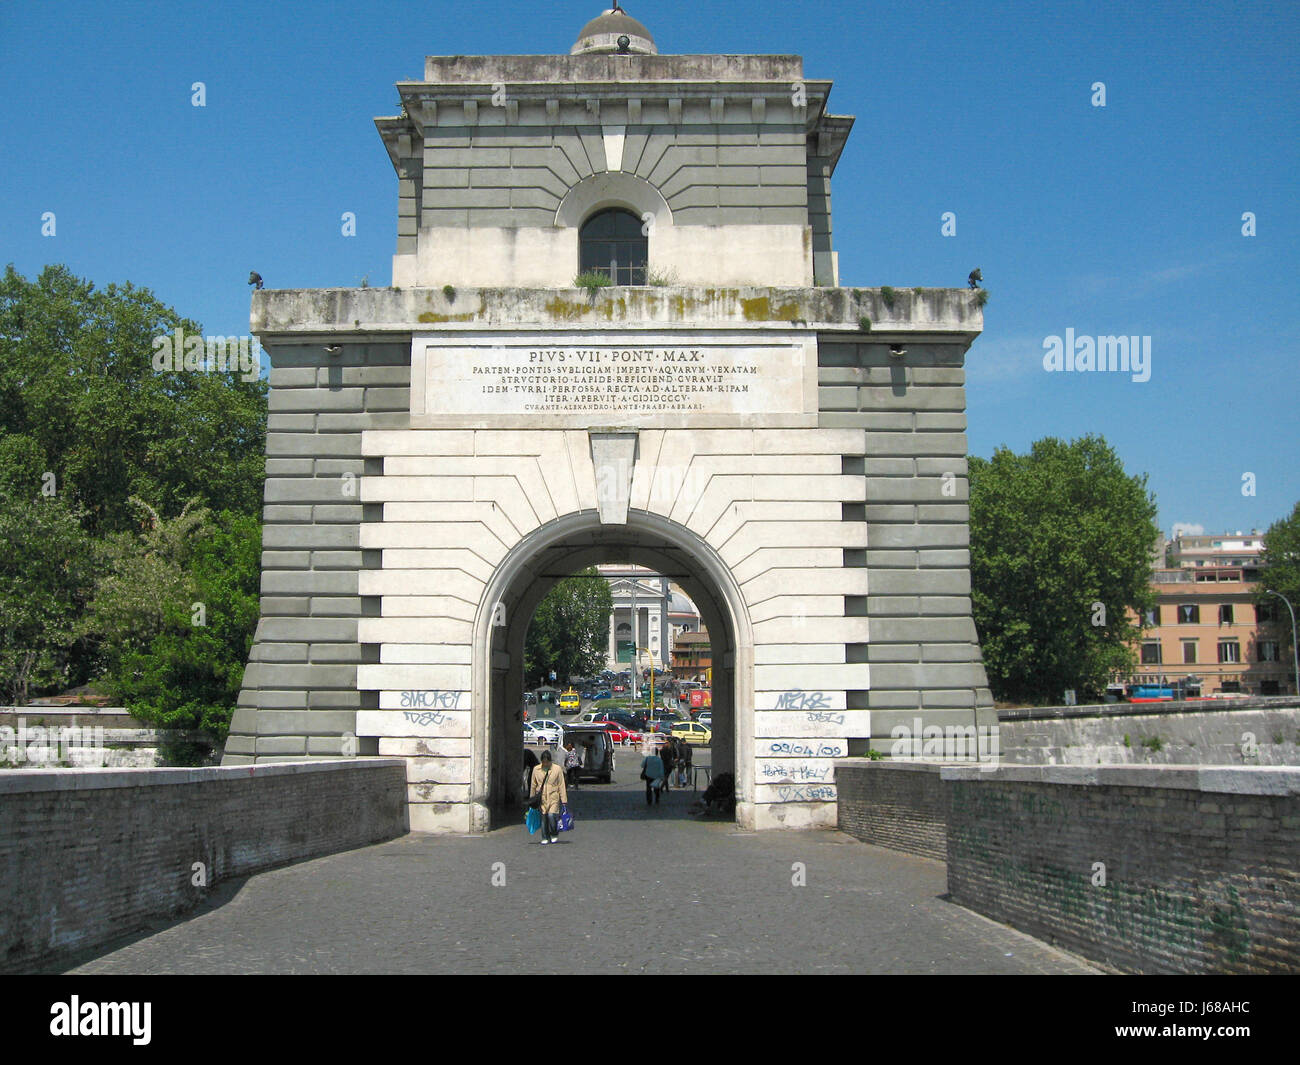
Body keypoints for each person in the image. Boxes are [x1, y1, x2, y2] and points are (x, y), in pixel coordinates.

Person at [528, 749, 568, 844]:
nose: (545, 764)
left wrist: (564, 800)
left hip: (553, 796)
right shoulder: (536, 769)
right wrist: (532, 800)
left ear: (550, 761)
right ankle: (545, 836)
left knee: (551, 816)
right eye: (544, 762)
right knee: (543, 817)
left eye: (547, 762)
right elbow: (533, 785)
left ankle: (554, 833)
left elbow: (561, 784)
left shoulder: (557, 769)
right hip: (541, 797)